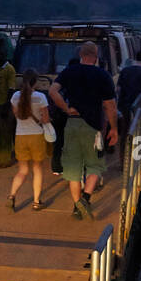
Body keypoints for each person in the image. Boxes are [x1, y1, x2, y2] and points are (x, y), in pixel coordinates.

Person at [50, 42, 118, 220]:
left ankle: (76, 205)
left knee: (73, 169)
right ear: (96, 57)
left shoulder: (69, 71)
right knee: (95, 164)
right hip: (93, 128)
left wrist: (66, 108)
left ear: (81, 55)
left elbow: (52, 91)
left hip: (72, 124)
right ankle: (85, 199)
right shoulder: (103, 75)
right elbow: (110, 106)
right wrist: (114, 129)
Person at [7, 69, 52, 210]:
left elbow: (17, 115)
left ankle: (12, 196)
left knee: (22, 170)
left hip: (20, 136)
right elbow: (45, 119)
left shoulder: (15, 96)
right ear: (35, 82)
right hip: (37, 136)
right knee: (37, 169)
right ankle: (37, 201)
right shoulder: (40, 97)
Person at [117, 49, 141, 138]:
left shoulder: (125, 70)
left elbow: (118, 88)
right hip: (138, 105)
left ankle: (124, 141)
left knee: (125, 125)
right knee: (138, 124)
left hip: (124, 103)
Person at [0, 53, 17, 168]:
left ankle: (5, 159)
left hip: (3, 106)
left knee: (5, 133)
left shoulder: (9, 69)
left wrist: (6, 106)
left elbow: (11, 89)